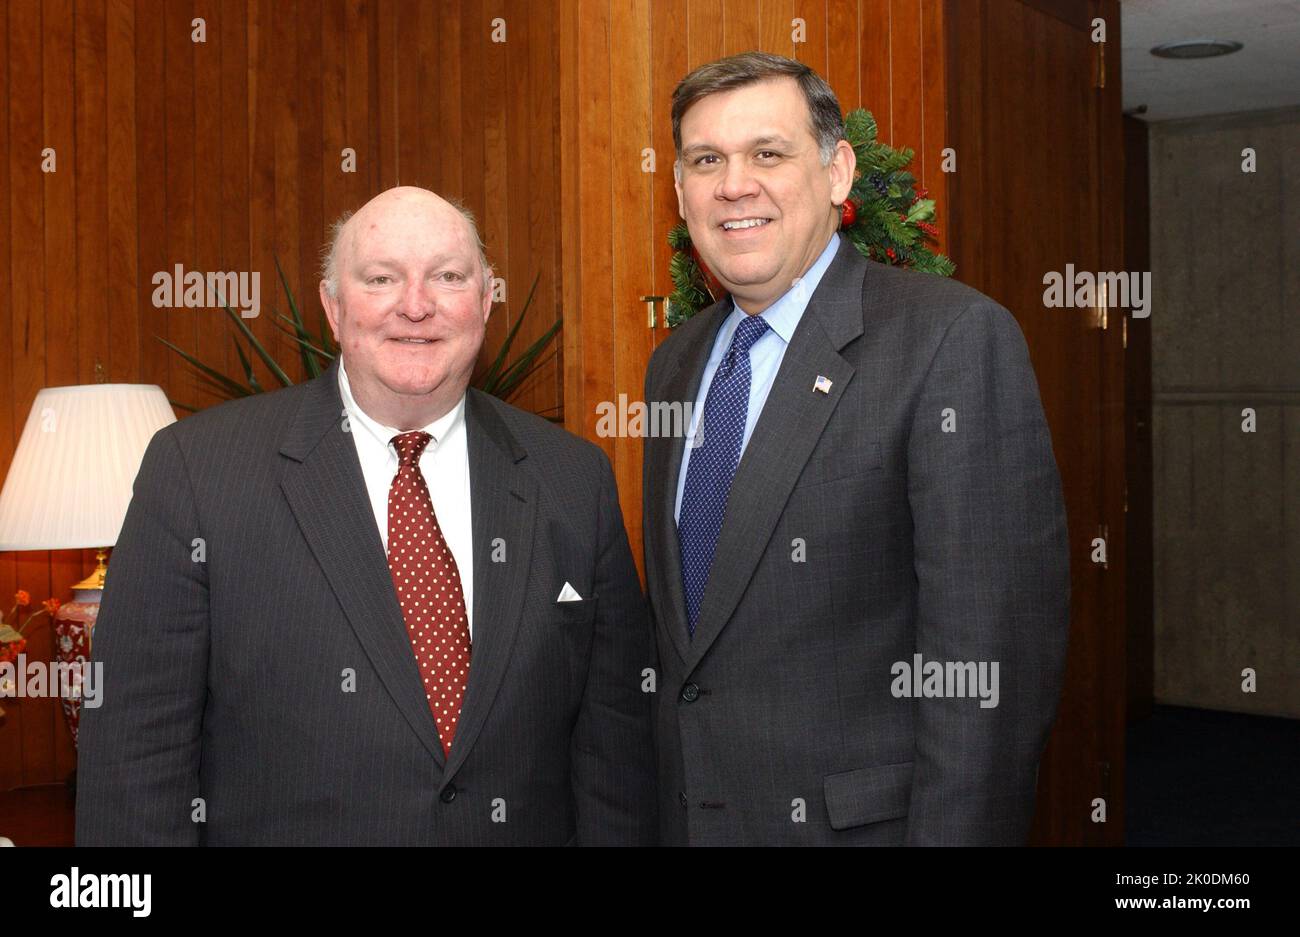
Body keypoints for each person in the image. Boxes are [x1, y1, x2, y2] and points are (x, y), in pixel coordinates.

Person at [77, 186, 656, 845]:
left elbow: (616, 755)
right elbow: (135, 755)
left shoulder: (572, 478)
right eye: (381, 278)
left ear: (487, 298)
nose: (416, 305)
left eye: (448, 276)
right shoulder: (198, 472)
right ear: (333, 306)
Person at [642, 52, 1070, 845]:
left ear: (838, 172)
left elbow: (988, 667)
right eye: (707, 161)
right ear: (680, 191)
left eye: (768, 153)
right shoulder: (674, 365)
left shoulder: (949, 339)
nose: (734, 184)